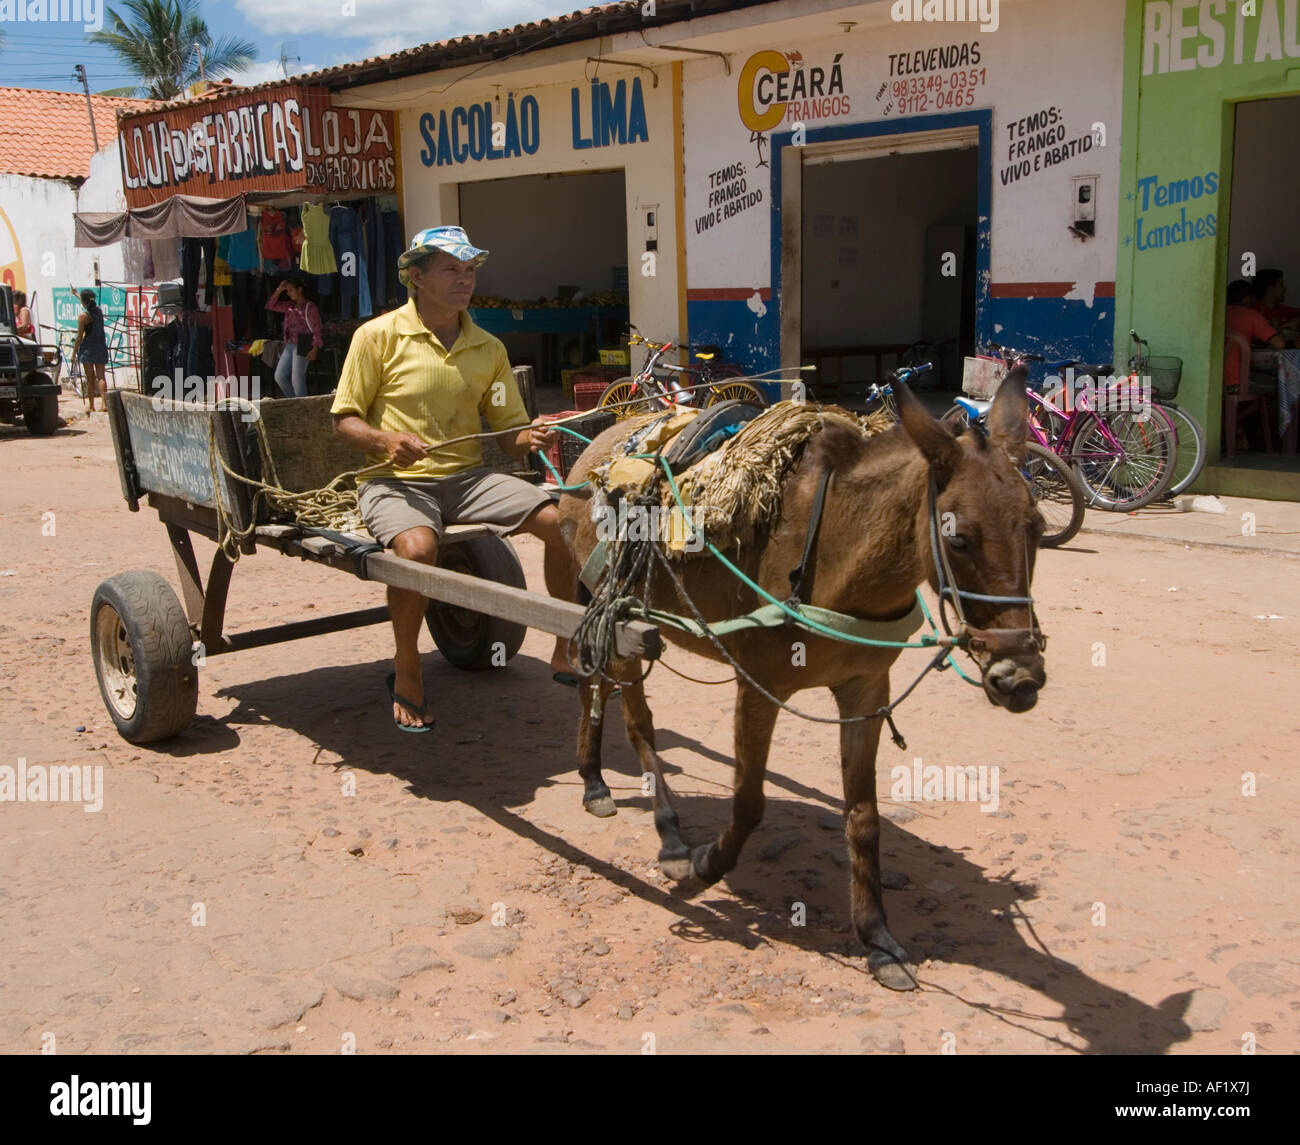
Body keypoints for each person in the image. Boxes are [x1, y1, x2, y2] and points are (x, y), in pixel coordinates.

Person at [332, 226, 575, 731]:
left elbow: (509, 438)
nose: (464, 280)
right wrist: (384, 441)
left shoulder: (488, 348)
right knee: (418, 552)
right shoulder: (376, 337)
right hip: (393, 481)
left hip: (467, 478)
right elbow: (345, 422)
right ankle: (407, 664)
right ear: (416, 277)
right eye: (451, 269)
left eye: (469, 271)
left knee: (562, 521)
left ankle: (565, 643)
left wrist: (532, 434)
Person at [1225, 279, 1286, 397]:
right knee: (1284, 383)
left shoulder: (1219, 313)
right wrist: (1276, 328)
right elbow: (1280, 344)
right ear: (1247, 299)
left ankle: (1240, 414)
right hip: (1239, 383)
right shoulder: (1251, 315)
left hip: (1217, 381)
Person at [266, 274, 322, 398]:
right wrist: (279, 290)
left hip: (304, 341)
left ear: (299, 290)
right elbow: (270, 305)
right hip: (289, 343)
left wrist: (315, 348)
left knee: (297, 378)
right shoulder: (289, 306)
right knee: (279, 376)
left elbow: (317, 328)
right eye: (287, 291)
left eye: (291, 290)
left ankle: (301, 405)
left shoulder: (310, 306)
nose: (288, 293)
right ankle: (294, 402)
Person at [70, 288, 109, 413]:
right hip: (100, 346)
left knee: (90, 378)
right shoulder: (99, 312)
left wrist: (73, 353)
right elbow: (87, 303)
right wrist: (76, 293)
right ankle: (104, 403)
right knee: (101, 376)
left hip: (88, 349)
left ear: (83, 301)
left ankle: (91, 405)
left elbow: (79, 338)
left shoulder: (83, 317)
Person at [1249, 269, 1300, 336]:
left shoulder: (1282, 309)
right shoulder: (1253, 311)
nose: (1284, 288)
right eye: (1281, 284)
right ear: (1270, 288)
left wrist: (1296, 321)